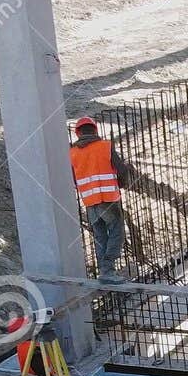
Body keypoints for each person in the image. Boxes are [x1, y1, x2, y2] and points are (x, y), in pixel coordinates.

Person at [68, 116, 137, 283]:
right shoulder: (105, 146)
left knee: (100, 236)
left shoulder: (72, 153)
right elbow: (121, 170)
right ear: (95, 130)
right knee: (117, 232)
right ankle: (107, 269)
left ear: (78, 133)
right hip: (108, 199)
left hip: (90, 201)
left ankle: (105, 272)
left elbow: (73, 179)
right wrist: (122, 184)